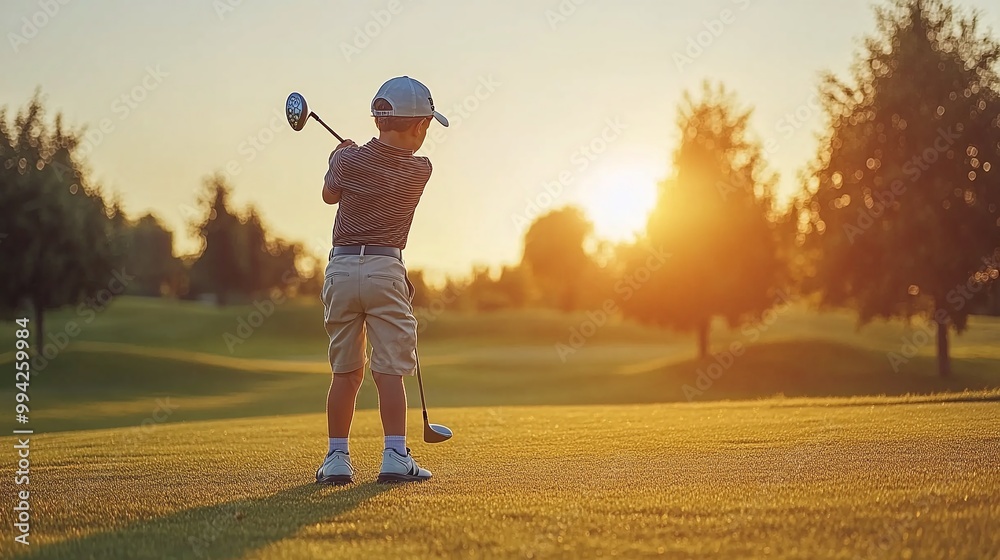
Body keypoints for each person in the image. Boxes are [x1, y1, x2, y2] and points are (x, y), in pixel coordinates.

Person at [315, 76, 448, 485]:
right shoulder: (421, 170)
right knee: (389, 370)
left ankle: (337, 458)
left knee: (346, 371)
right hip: (385, 270)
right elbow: (387, 167)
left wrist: (339, 157)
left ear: (378, 118)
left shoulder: (348, 161)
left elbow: (329, 194)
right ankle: (395, 454)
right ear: (420, 125)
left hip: (341, 270)